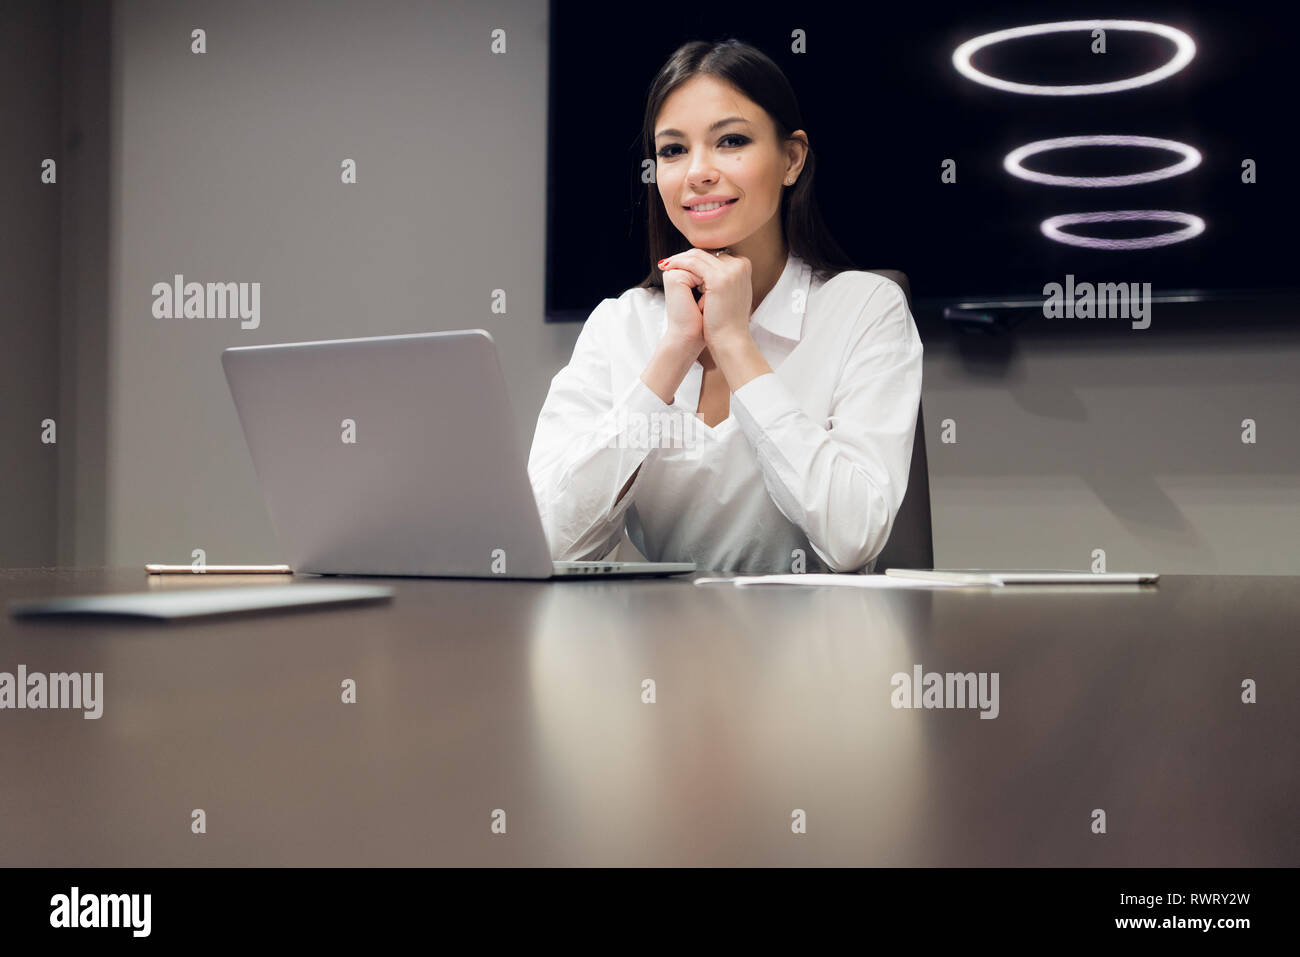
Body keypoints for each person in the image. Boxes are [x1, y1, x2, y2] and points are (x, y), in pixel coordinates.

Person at [528, 38, 923, 574]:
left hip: (817, 649)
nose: (697, 172)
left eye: (730, 141)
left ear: (791, 158)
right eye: (672, 150)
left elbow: (854, 537)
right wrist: (673, 352)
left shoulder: (865, 307)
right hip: (653, 646)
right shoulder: (619, 324)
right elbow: (549, 541)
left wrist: (736, 344)